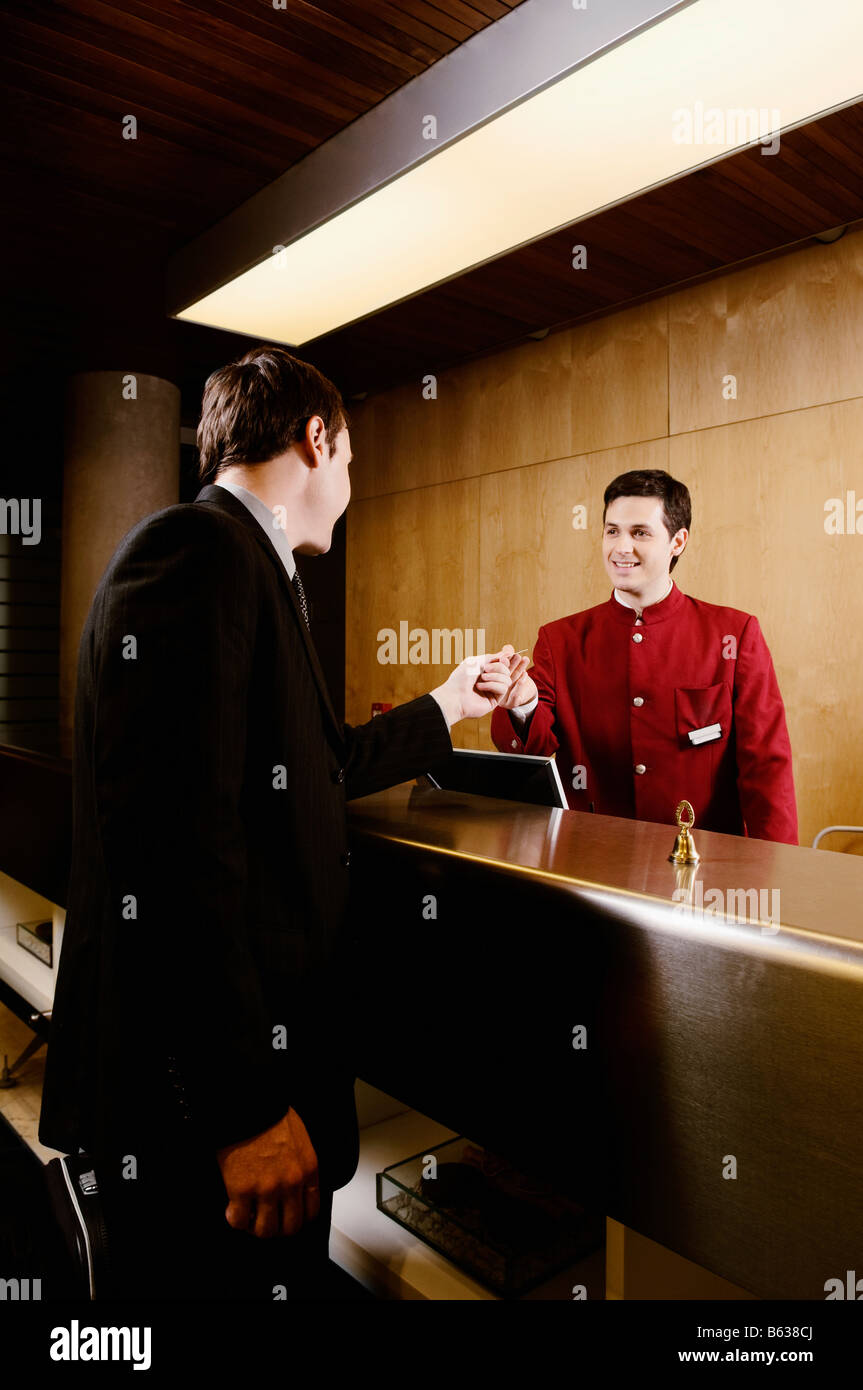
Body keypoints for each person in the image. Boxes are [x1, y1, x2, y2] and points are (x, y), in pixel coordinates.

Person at [38, 345, 517, 1300]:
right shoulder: (196, 552)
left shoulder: (249, 568)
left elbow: (317, 763)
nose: (348, 487)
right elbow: (170, 855)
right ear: (317, 438)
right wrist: (243, 1110)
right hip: (203, 1120)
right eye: (349, 462)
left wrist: (447, 702)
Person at [492, 469, 798, 844]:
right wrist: (521, 704)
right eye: (612, 530)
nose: (621, 547)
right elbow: (536, 748)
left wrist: (781, 870)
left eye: (640, 532)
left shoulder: (735, 633)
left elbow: (766, 766)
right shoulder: (560, 640)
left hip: (704, 869)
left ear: (678, 541)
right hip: (590, 862)